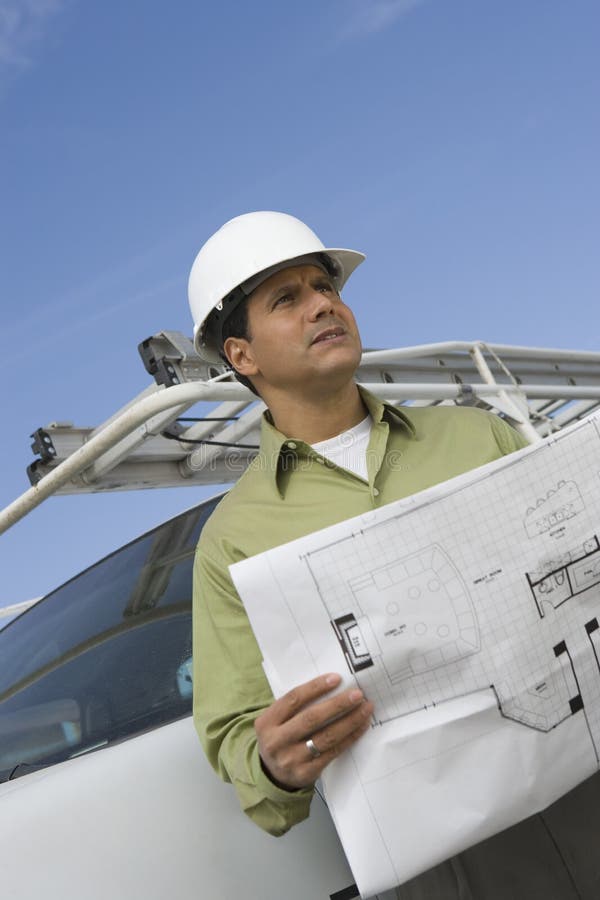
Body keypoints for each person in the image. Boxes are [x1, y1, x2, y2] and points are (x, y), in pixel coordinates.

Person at [189, 212, 600, 899]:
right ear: (242, 356)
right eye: (286, 299)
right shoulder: (231, 540)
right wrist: (276, 762)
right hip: (443, 871)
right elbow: (238, 738)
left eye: (323, 286)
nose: (323, 302)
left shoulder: (477, 436)